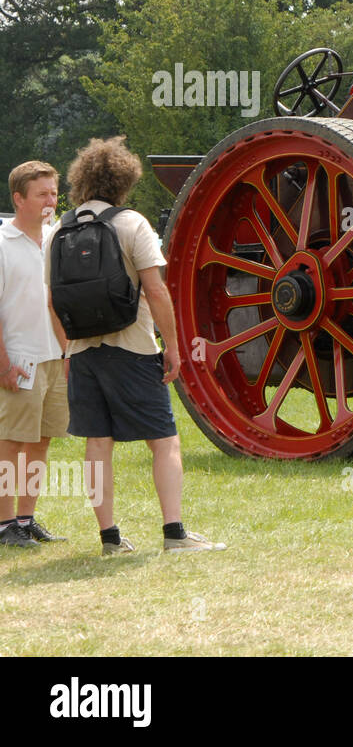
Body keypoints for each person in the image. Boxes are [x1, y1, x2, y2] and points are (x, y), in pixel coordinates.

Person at [47, 137, 225, 555]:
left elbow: (53, 301)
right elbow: (157, 292)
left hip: (82, 351)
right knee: (164, 441)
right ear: (124, 179)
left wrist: (65, 351)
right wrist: (174, 346)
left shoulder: (59, 229)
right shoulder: (131, 223)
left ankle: (110, 539)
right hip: (132, 346)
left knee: (96, 445)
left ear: (79, 180)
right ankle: (175, 533)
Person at [0, 161, 69, 548]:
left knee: (41, 441)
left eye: (54, 193)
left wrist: (67, 353)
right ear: (18, 198)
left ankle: (25, 521)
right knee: (9, 443)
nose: (50, 201)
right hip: (19, 360)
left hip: (53, 358)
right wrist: (3, 364)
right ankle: (4, 524)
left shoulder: (56, 238)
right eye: (42, 193)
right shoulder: (1, 244)